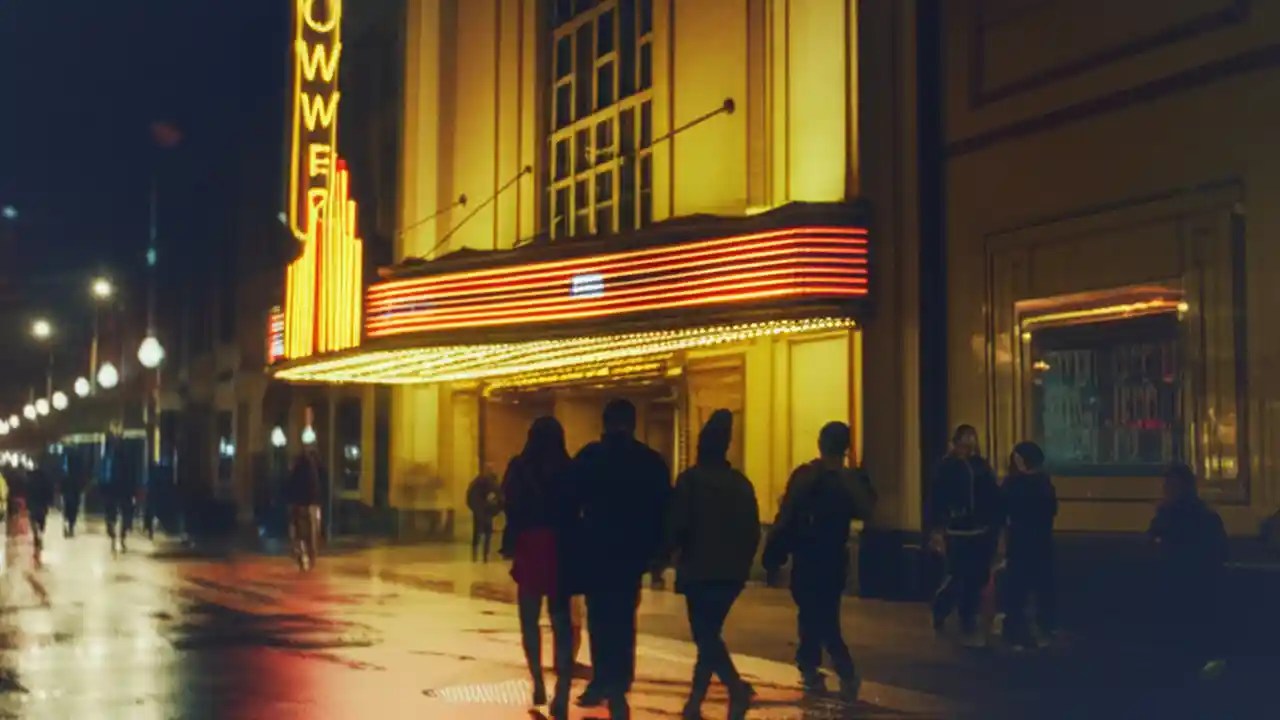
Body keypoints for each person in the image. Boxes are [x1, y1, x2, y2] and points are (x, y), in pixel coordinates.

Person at [570, 398, 671, 719]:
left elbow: (571, 500)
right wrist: (657, 553)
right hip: (631, 552)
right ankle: (618, 682)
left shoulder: (591, 457)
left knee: (599, 618)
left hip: (597, 550)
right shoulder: (649, 461)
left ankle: (602, 680)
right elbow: (662, 511)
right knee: (624, 618)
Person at [763, 421, 874, 701]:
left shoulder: (805, 476)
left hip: (807, 556)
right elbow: (867, 509)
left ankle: (833, 667)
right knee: (821, 612)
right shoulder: (850, 480)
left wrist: (773, 556)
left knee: (817, 615)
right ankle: (812, 664)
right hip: (834, 558)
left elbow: (787, 517)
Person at [666, 410, 759, 720]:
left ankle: (732, 688)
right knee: (709, 634)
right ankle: (695, 701)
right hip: (730, 573)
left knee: (705, 636)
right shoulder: (741, 485)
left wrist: (665, 555)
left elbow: (677, 525)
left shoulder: (690, 481)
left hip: (699, 570)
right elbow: (752, 531)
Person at [501, 417, 578, 717]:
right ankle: (563, 689)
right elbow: (576, 507)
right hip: (560, 548)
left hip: (530, 546)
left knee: (529, 620)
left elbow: (511, 505)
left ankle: (537, 681)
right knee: (561, 622)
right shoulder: (568, 468)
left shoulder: (519, 467)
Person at [1148, 463, 1227, 670]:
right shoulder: (1207, 517)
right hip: (1200, 594)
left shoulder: (1166, 517)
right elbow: (1220, 553)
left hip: (1175, 592)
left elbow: (1154, 546)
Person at [929, 424, 1003, 647]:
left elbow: (992, 496)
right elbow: (936, 499)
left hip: (979, 529)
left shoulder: (980, 467)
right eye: (965, 442)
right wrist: (938, 528)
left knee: (974, 575)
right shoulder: (947, 467)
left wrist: (993, 524)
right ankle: (947, 609)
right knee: (958, 573)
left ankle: (966, 617)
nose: (969, 447)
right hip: (957, 530)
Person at [1000, 441, 1057, 649]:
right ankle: (1042, 629)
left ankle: (1015, 631)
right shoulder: (1044, 484)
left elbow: (1002, 510)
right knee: (1041, 587)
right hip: (1040, 541)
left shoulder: (1012, 484)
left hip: (1019, 541)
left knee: (1017, 588)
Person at [283, 449, 322, 570]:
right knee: (311, 534)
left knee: (299, 534)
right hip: (311, 506)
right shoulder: (314, 473)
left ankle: (301, 556)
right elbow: (317, 489)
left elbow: (289, 488)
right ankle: (311, 557)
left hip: (299, 506)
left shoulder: (296, 473)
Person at [101, 430, 139, 552]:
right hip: (118, 489)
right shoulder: (114, 457)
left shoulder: (110, 457)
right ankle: (118, 536)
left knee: (119, 513)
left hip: (118, 489)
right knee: (120, 513)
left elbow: (104, 474)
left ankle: (118, 536)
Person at [466, 465, 502, 563]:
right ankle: (485, 555)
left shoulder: (476, 482)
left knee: (477, 533)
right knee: (487, 534)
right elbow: (499, 498)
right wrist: (494, 510)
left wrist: (475, 508)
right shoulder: (493, 484)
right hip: (487, 511)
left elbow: (470, 497)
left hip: (478, 511)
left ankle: (475, 554)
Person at [26, 464, 54, 550]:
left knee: (33, 520)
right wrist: (50, 502)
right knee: (42, 521)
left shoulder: (30, 481)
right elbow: (49, 492)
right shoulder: (46, 481)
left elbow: (27, 492)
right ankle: (40, 533)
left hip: (32, 504)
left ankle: (36, 534)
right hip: (43, 505)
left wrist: (27, 504)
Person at [61, 450, 87, 537]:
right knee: (73, 512)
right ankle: (70, 527)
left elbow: (62, 485)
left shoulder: (65, 474)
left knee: (67, 511)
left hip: (68, 495)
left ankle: (67, 526)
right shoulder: (78, 475)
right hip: (74, 495)